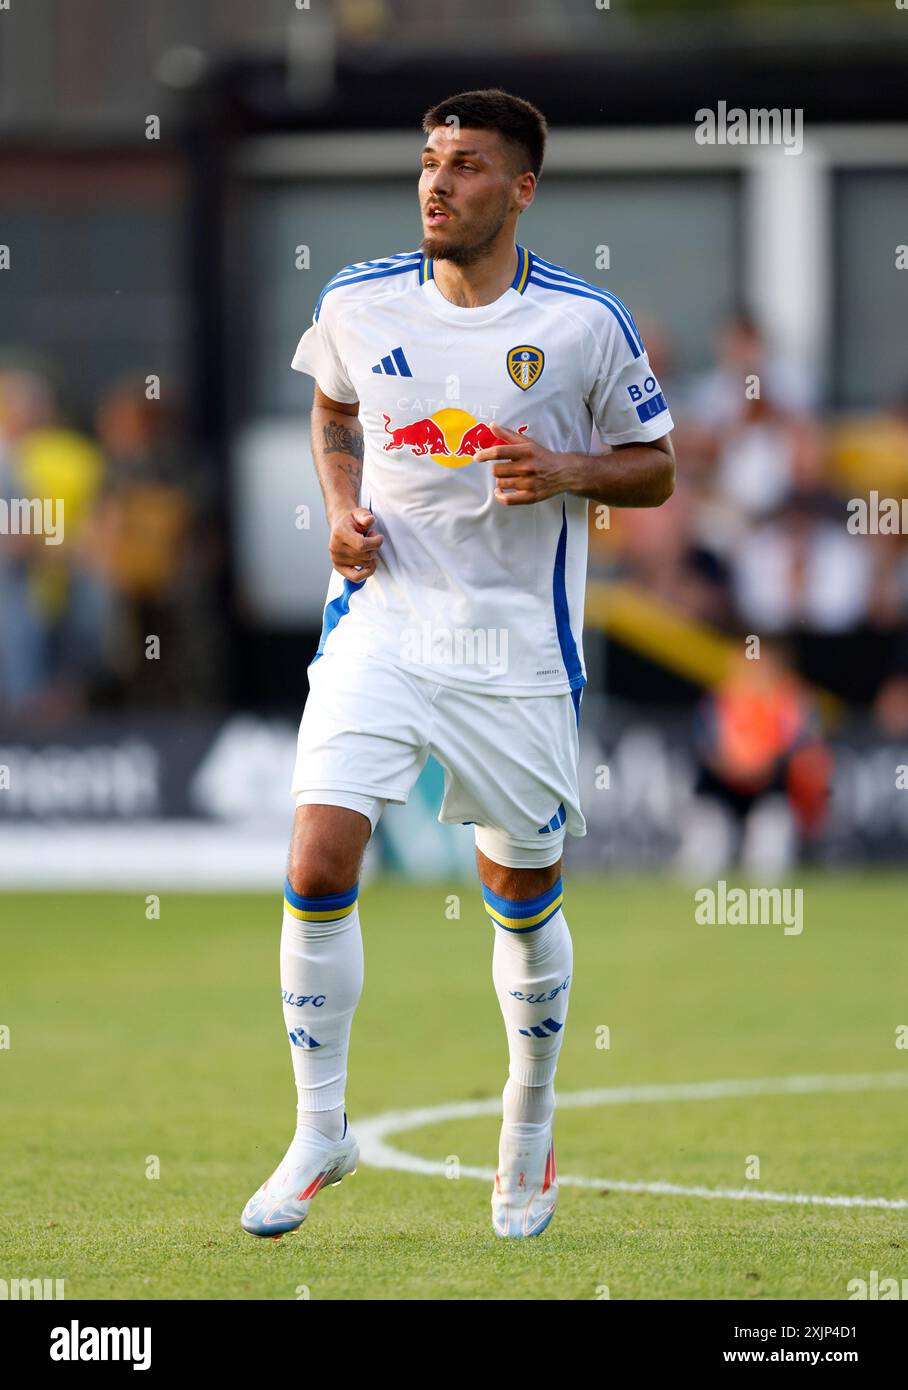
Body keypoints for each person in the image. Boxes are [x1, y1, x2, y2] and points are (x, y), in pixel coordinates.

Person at [241, 88, 675, 1241]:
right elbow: (333, 408)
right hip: (380, 619)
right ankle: (319, 1125)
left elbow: (656, 467)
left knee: (519, 897)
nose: (437, 183)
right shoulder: (354, 298)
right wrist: (338, 510)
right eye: (429, 162)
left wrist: (571, 472)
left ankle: (525, 1122)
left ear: (520, 189)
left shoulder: (584, 324)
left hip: (514, 648)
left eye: (468, 166)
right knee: (320, 846)